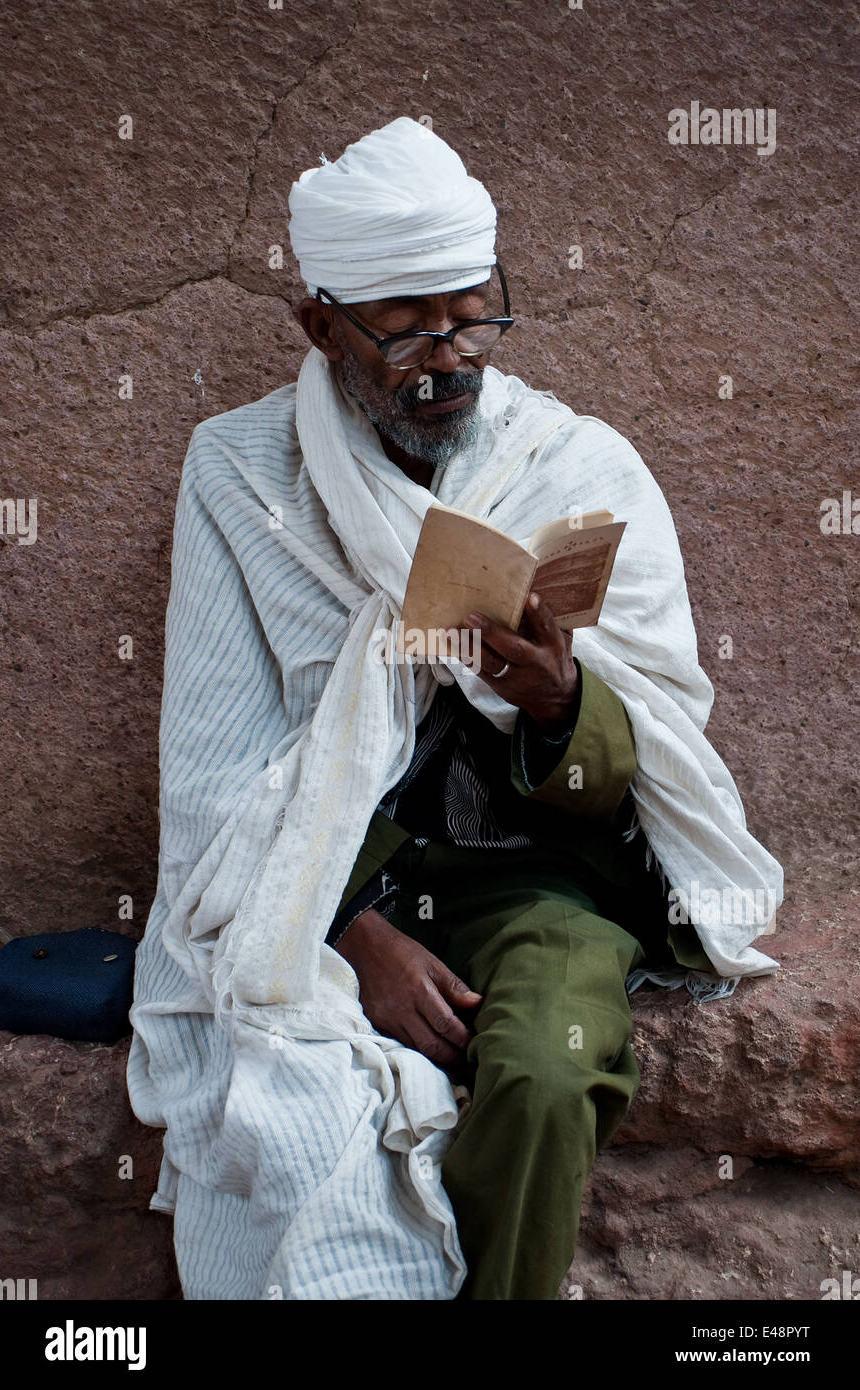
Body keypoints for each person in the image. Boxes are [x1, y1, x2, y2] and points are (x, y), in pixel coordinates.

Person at [127, 116, 782, 1301]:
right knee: (306, 1097)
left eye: (475, 314)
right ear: (320, 325)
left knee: (541, 1075)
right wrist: (354, 932)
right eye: (406, 327)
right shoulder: (235, 472)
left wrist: (558, 703)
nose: (449, 359)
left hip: (546, 881)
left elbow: (656, 761)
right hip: (336, 884)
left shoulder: (577, 463)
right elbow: (217, 766)